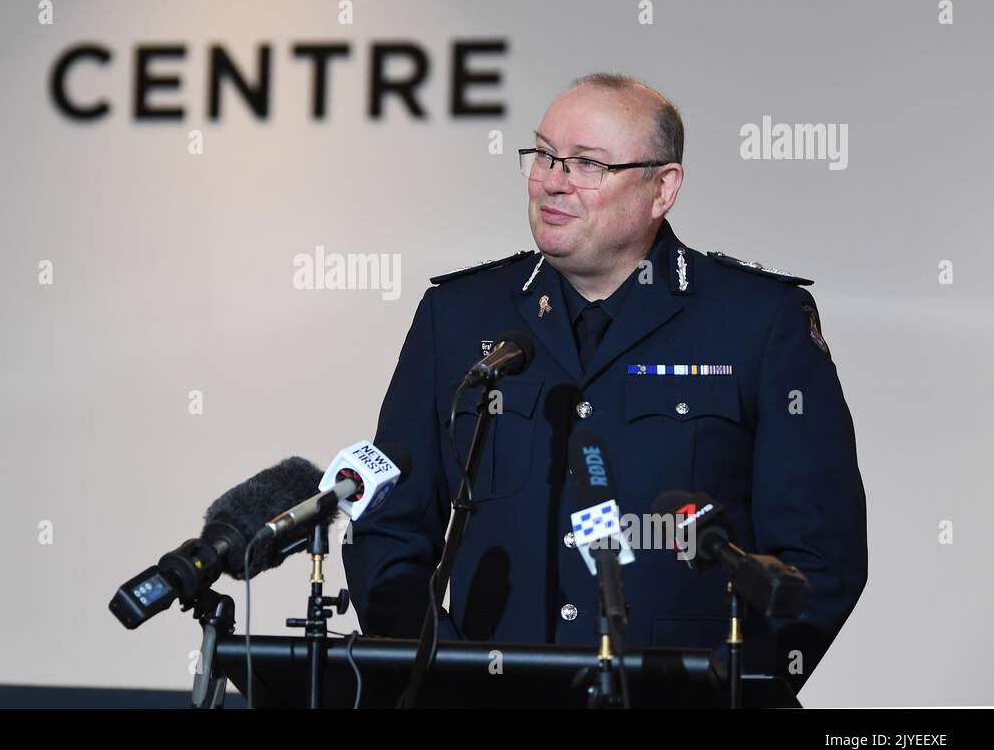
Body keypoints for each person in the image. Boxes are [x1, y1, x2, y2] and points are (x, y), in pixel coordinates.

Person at [341, 73, 868, 695]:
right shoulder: (457, 317)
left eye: (588, 164)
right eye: (543, 155)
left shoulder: (757, 321)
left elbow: (819, 559)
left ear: (662, 188)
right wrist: (447, 679)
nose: (552, 180)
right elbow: (388, 529)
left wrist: (727, 690)